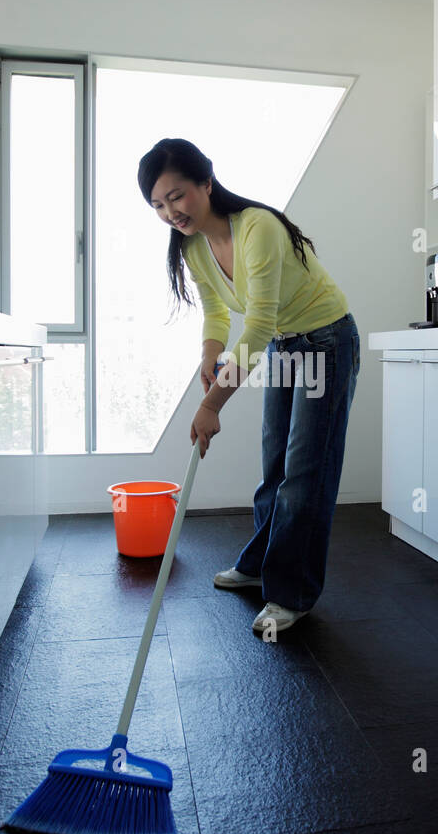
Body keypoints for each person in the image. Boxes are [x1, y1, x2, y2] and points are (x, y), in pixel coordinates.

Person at [137, 137, 360, 636]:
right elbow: (218, 309)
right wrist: (209, 353)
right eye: (157, 205)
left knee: (306, 470)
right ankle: (261, 564)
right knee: (275, 462)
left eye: (176, 196)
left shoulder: (258, 228)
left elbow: (256, 326)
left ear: (205, 183)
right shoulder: (193, 246)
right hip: (285, 345)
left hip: (325, 342)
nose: (170, 211)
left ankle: (292, 593)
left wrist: (211, 405)